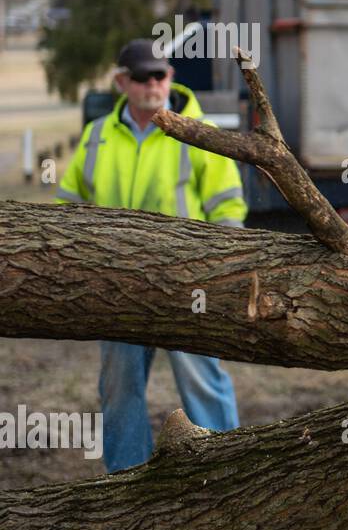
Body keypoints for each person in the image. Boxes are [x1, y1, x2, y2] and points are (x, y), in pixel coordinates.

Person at [55, 39, 248, 472]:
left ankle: (225, 472)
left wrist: (221, 273)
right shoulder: (97, 137)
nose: (152, 84)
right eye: (141, 77)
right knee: (119, 387)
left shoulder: (200, 134)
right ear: (122, 82)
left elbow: (229, 208)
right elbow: (66, 212)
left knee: (203, 382)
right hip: (116, 290)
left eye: (159, 75)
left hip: (188, 287)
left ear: (171, 78)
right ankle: (126, 479)